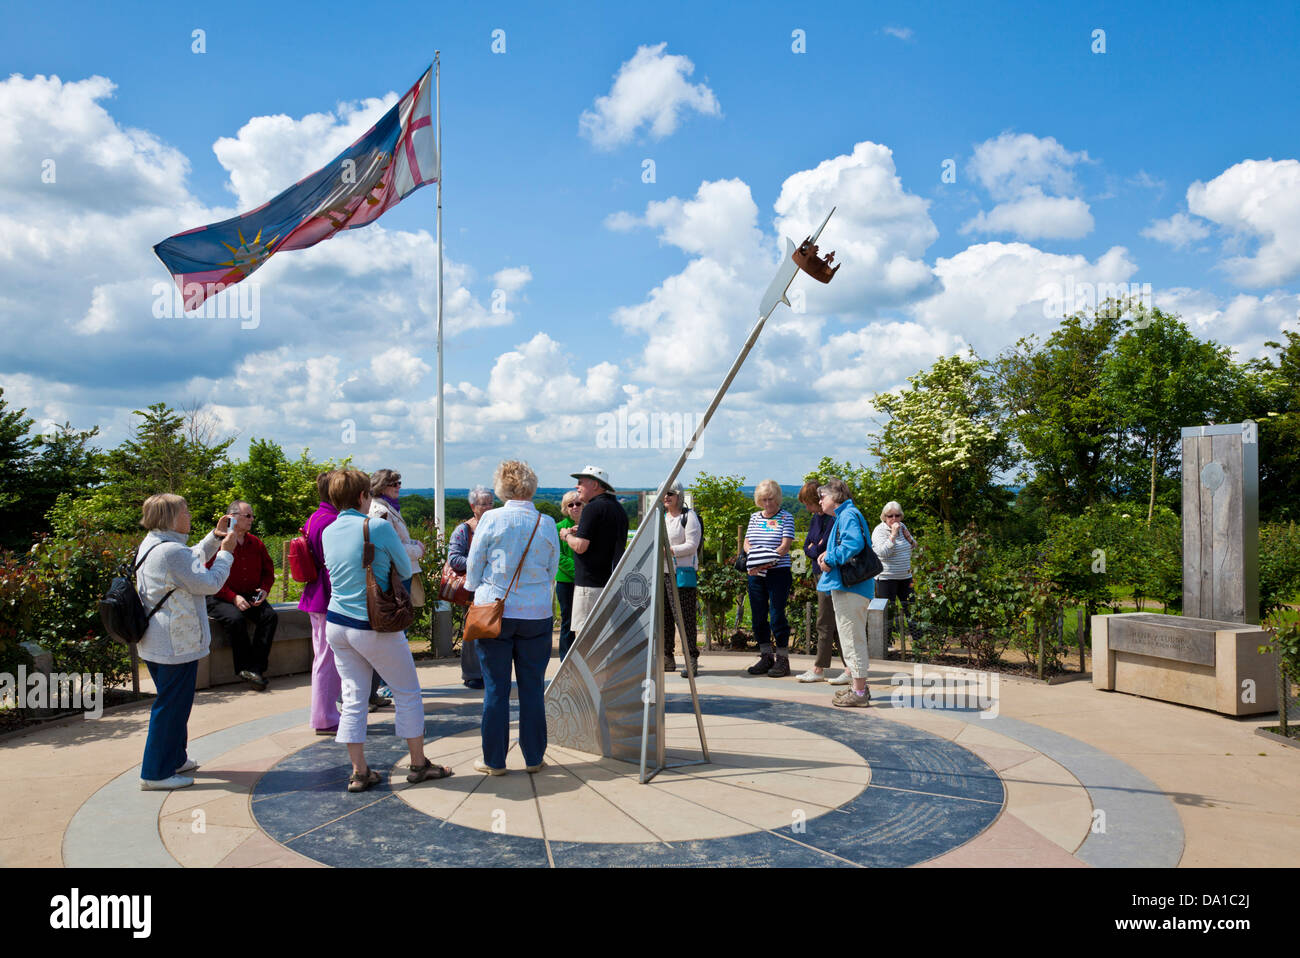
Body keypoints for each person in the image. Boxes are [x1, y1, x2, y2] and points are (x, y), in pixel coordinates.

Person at [321, 469, 452, 791]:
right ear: (364, 496)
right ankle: (419, 764)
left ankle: (359, 771)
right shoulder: (376, 526)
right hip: (375, 624)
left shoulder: (328, 529)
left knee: (352, 697)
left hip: (337, 623)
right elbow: (405, 568)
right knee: (407, 693)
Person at [135, 494, 238, 789]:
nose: (190, 516)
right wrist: (226, 553)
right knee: (171, 707)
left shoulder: (154, 544)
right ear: (170, 517)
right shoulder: (170, 552)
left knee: (176, 704)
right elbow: (209, 583)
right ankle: (155, 773)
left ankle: (175, 759)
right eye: (185, 512)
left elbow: (188, 559)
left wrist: (214, 538)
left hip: (159, 639)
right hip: (174, 643)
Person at [465, 460, 560, 775]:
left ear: (502, 488)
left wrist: (472, 588)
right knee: (533, 688)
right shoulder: (546, 522)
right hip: (536, 614)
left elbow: (475, 565)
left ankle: (494, 760)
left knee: (496, 688)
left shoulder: (491, 518)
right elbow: (551, 568)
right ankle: (534, 757)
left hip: (494, 612)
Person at [816, 478, 876, 707]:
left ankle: (859, 693)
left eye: (823, 496)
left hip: (851, 588)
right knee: (851, 638)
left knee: (852, 639)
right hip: (852, 587)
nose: (820, 500)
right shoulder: (846, 515)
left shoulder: (847, 515)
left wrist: (829, 558)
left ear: (836, 496)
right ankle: (858, 687)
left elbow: (854, 543)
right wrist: (827, 555)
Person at [205, 500, 277, 691]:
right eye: (248, 516)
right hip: (219, 595)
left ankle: (256, 669)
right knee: (235, 618)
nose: (252, 519)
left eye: (252, 516)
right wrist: (232, 597)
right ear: (232, 518)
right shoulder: (218, 543)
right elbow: (207, 577)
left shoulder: (256, 543)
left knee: (269, 616)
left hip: (249, 594)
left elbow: (268, 572)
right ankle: (244, 668)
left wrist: (264, 589)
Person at [367, 469, 424, 704]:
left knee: (399, 629)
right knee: (394, 630)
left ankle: (387, 681)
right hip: (394, 576)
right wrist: (418, 549)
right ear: (381, 486)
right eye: (393, 483)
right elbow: (392, 549)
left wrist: (412, 544)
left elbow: (400, 542)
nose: (398, 487)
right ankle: (385, 683)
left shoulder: (391, 508)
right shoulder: (380, 511)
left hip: (402, 573)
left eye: (399, 482)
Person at [558, 465, 627, 637]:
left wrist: (566, 535)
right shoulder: (618, 508)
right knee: (607, 637)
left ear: (595, 485)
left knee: (585, 639)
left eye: (581, 482)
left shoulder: (592, 508)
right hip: (612, 581)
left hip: (590, 584)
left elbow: (581, 546)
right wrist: (582, 529)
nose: (577, 486)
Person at [298, 471, 341, 734]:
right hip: (327, 595)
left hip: (316, 593)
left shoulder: (315, 517)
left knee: (323, 656)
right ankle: (324, 716)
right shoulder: (331, 521)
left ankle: (325, 712)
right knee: (327, 658)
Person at [794, 480, 847, 684]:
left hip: (830, 574)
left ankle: (822, 668)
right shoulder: (816, 518)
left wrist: (816, 548)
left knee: (827, 621)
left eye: (808, 503)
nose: (807, 509)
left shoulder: (834, 518)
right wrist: (815, 547)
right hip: (819, 573)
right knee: (829, 622)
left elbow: (824, 548)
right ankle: (845, 667)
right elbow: (809, 546)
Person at [744, 480, 796, 678]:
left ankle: (782, 658)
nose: (767, 503)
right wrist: (756, 560)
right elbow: (746, 544)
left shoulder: (786, 517)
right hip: (756, 574)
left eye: (771, 499)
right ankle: (766, 655)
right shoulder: (755, 518)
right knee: (758, 616)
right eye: (763, 500)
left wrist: (766, 561)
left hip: (778, 572)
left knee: (776, 615)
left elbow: (784, 547)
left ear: (778, 498)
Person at [447, 485, 492, 687]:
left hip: (494, 587)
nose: (488, 507)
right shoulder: (464, 530)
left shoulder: (497, 527)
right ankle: (473, 674)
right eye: (483, 504)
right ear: (473, 506)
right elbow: (454, 559)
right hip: (473, 588)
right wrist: (480, 563)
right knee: (473, 631)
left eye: (491, 503)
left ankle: (489, 671)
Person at [662, 481, 702, 677]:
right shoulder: (662, 518)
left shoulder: (689, 517)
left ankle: (691, 659)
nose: (666, 497)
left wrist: (669, 551)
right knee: (665, 618)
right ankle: (667, 657)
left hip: (681, 574)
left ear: (679, 495)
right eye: (663, 493)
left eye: (670, 493)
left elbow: (692, 545)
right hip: (662, 573)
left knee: (684, 619)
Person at [872, 500, 916, 647]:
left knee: (912, 608)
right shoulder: (879, 531)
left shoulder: (903, 527)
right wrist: (893, 535)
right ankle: (886, 644)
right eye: (890, 516)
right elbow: (882, 553)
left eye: (897, 515)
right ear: (884, 517)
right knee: (888, 611)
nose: (894, 519)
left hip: (905, 576)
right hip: (886, 578)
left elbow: (913, 546)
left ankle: (919, 641)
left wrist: (908, 537)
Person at [554, 490, 583, 661]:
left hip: (587, 580)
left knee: (586, 621)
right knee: (567, 620)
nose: (574, 507)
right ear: (565, 508)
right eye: (570, 504)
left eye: (578, 503)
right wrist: (578, 570)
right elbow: (557, 556)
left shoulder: (591, 526)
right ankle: (565, 658)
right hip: (565, 581)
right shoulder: (558, 528)